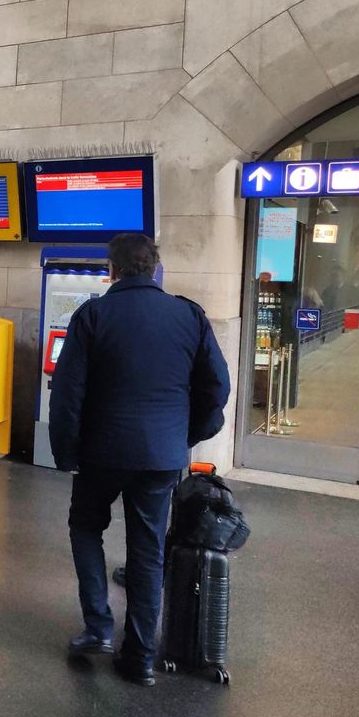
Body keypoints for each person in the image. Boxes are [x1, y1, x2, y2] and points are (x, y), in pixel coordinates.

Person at [49, 233, 230, 687]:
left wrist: (66, 451)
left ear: (112, 270)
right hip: (161, 456)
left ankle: (97, 627)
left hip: (100, 453)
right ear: (154, 268)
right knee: (148, 552)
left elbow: (68, 394)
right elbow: (217, 388)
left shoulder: (92, 315)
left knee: (86, 526)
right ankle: (140, 658)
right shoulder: (189, 315)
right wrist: (187, 435)